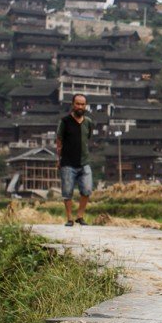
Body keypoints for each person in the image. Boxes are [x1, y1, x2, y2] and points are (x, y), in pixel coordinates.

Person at [56, 93, 95, 226]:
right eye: (77, 104)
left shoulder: (88, 122)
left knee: (87, 189)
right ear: (73, 105)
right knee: (67, 192)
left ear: (86, 106)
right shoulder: (65, 121)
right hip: (67, 162)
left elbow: (88, 137)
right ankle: (69, 218)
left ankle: (80, 215)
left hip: (84, 162)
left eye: (82, 104)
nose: (80, 106)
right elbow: (59, 140)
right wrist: (59, 159)